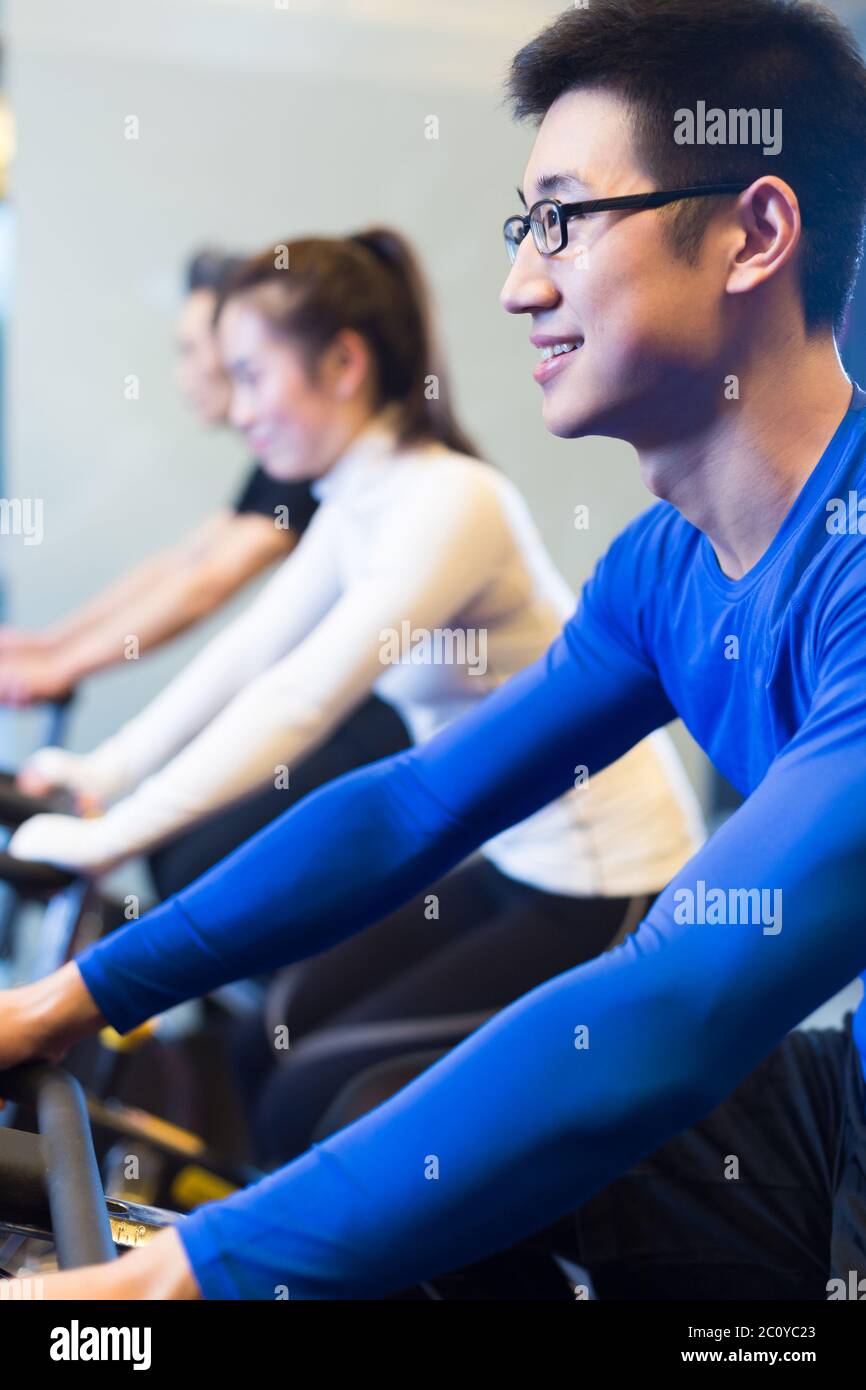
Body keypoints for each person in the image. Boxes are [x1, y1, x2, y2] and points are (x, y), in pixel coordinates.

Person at [4, 0, 864, 1301]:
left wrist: (185, 1276)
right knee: (390, 1123)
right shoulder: (663, 564)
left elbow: (678, 1005)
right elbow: (416, 803)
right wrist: (78, 993)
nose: (520, 282)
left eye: (566, 221)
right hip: (838, 1091)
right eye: (528, 228)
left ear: (753, 234)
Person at [6, 229, 701, 1158]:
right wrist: (103, 775)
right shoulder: (357, 499)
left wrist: (107, 838)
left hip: (612, 881)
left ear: (343, 362)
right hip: (512, 861)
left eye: (253, 376)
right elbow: (251, 655)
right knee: (269, 1033)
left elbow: (301, 699)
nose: (239, 408)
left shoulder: (452, 500)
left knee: (316, 1095)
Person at [0, 250, 318, 710]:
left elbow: (205, 583)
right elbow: (184, 562)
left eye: (191, 350)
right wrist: (52, 646)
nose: (182, 374)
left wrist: (60, 666)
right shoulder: (279, 461)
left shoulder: (303, 458)